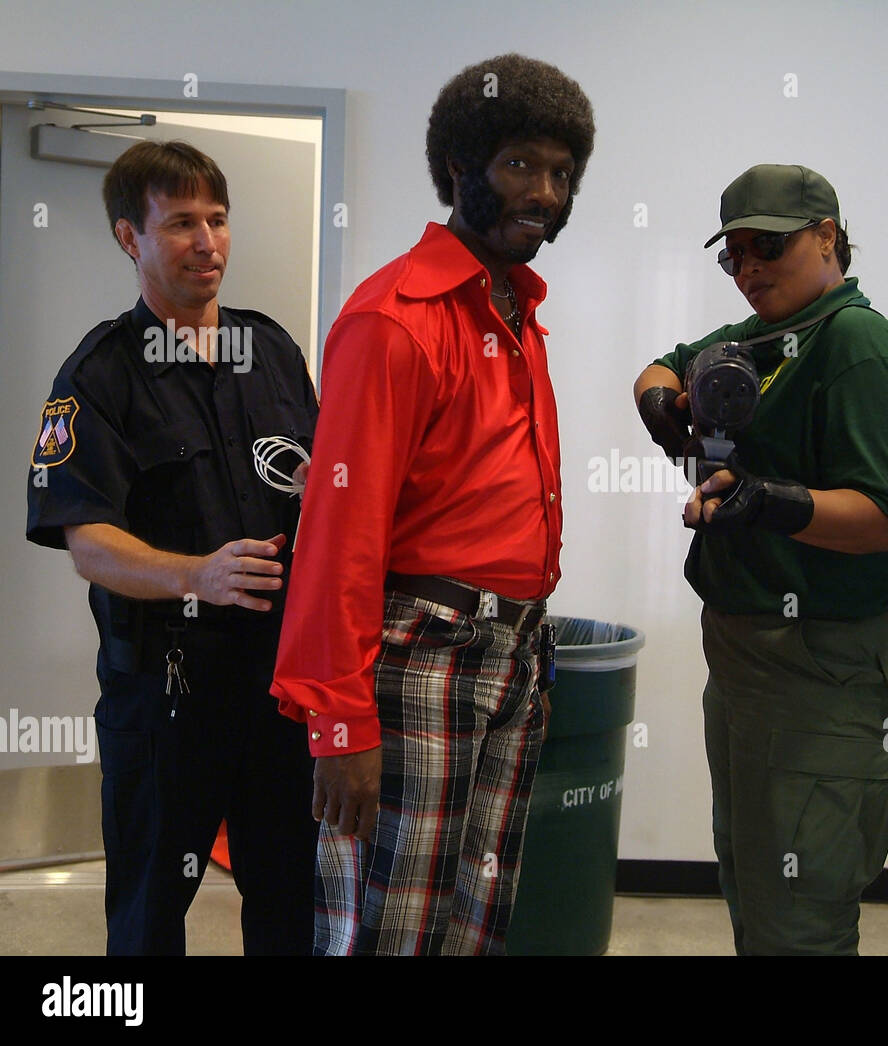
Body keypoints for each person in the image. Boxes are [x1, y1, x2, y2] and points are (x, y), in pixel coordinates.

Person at [270, 53, 594, 956]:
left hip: (515, 648)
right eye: (522, 164)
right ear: (460, 166)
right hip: (421, 653)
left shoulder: (515, 309)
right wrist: (339, 719)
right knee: (389, 925)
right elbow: (337, 533)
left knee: (476, 915)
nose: (546, 192)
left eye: (563, 173)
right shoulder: (395, 319)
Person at [634, 164, 888, 955]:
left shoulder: (859, 347)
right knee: (756, 891)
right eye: (731, 255)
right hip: (747, 665)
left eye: (766, 246)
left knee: (800, 922)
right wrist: (664, 408)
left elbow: (884, 520)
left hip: (824, 671)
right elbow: (663, 364)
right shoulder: (769, 338)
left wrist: (767, 503)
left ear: (827, 237)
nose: (747, 270)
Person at [25, 140, 320, 955]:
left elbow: (326, 497)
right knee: (150, 914)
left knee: (294, 902)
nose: (208, 242)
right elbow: (88, 541)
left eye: (218, 220)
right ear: (131, 237)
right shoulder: (98, 375)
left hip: (279, 692)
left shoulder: (273, 353)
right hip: (165, 696)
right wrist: (200, 574)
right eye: (182, 222)